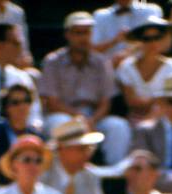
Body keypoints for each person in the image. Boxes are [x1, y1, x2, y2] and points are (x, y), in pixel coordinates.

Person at [39, 12, 131, 167]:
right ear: (67, 34)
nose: (83, 38)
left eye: (86, 32)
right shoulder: (53, 61)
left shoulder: (101, 62)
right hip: (65, 115)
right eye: (77, 33)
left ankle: (114, 174)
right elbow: (52, 102)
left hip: (93, 117)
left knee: (118, 126)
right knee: (58, 122)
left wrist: (92, 120)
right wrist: (79, 118)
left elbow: (106, 102)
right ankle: (61, 171)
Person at [43, 115, 107, 194]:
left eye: (89, 148)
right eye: (81, 149)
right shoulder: (43, 175)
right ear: (62, 149)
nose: (87, 154)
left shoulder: (90, 176)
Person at [117, 14, 172, 124]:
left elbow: (171, 101)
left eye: (157, 38)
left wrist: (152, 115)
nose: (152, 43)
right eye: (147, 39)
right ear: (139, 41)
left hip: (164, 120)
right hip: (134, 121)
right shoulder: (126, 66)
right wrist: (158, 100)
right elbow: (132, 102)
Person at [91, 0, 167, 67]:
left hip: (142, 70)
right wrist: (114, 41)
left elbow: (159, 40)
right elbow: (93, 50)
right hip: (110, 72)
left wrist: (127, 53)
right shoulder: (100, 16)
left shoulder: (151, 11)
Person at [0, 80, 40, 176]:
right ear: (6, 108)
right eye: (15, 102)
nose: (22, 106)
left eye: (26, 101)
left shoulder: (36, 136)